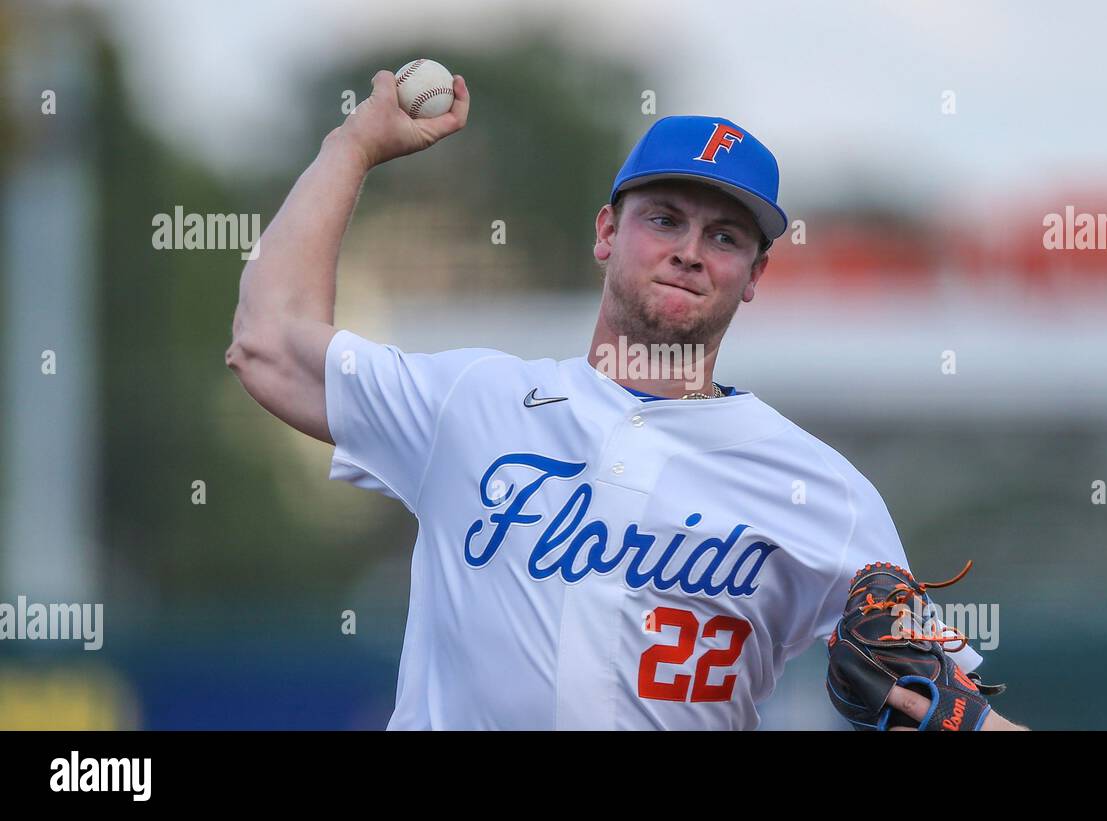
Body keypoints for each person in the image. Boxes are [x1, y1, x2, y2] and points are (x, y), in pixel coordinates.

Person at [226, 70, 1027, 730]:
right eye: (665, 218)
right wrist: (352, 145)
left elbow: (956, 709)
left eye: (725, 236)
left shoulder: (822, 490)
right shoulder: (470, 402)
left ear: (755, 277)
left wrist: (947, 719)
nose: (688, 250)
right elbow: (267, 340)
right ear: (607, 230)